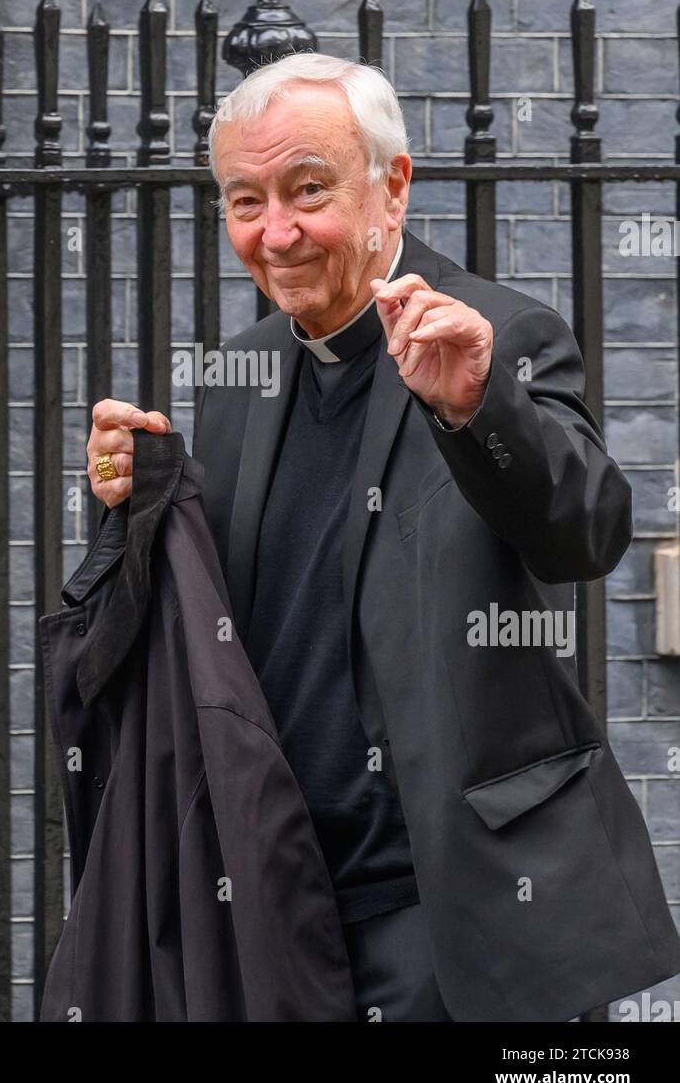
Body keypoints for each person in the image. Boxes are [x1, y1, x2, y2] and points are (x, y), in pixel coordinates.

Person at [86, 53, 680, 1022]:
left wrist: (478, 406)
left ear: (389, 184)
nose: (273, 233)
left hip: (454, 904)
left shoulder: (495, 333)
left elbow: (582, 533)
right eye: (244, 200)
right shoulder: (236, 381)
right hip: (283, 900)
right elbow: (209, 632)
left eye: (306, 190)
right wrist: (127, 511)